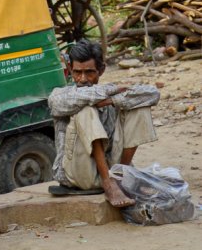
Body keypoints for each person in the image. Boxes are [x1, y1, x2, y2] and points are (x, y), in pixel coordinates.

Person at [47, 39, 160, 208]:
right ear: (70, 70)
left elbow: (152, 94)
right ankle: (108, 184)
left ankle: (120, 174)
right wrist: (107, 92)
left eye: (90, 72)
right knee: (85, 108)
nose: (83, 79)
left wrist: (111, 101)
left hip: (112, 168)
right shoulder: (61, 94)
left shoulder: (106, 96)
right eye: (77, 72)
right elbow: (57, 104)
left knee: (139, 106)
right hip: (77, 173)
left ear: (101, 70)